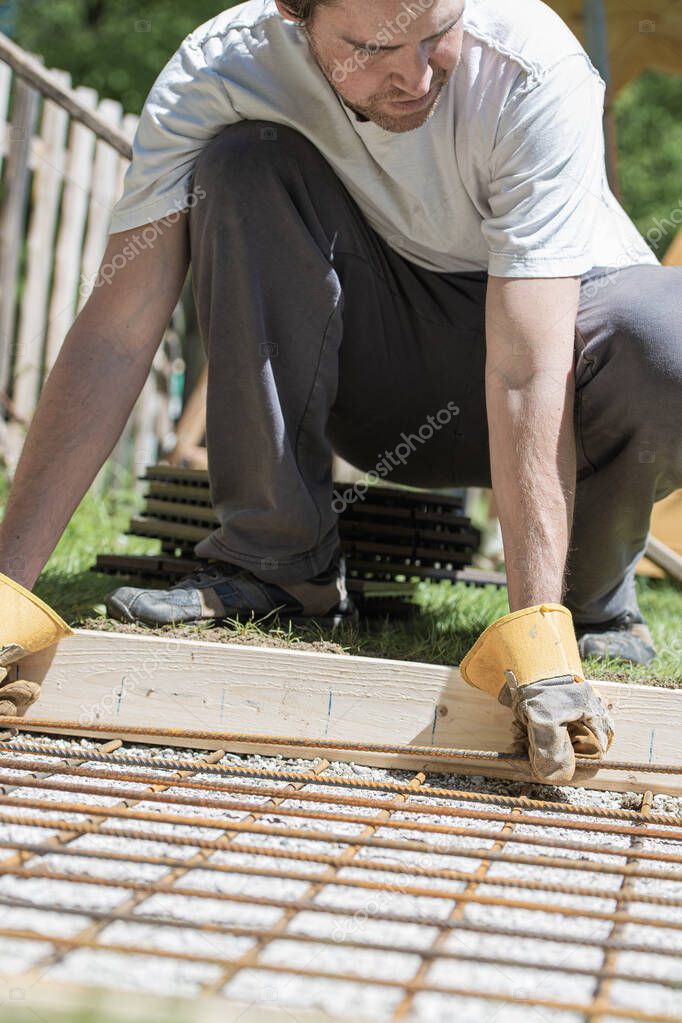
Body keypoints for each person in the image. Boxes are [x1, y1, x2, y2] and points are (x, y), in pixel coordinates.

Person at [0, 0, 679, 783]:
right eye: (373, 48)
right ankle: (277, 566)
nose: (417, 77)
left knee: (670, 338)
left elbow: (528, 365)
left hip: (558, 365)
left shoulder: (532, 69)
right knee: (241, 164)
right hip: (381, 370)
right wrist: (12, 581)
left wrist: (534, 631)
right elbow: (118, 330)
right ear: (295, 12)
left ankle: (585, 603)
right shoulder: (220, 69)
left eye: (436, 36)